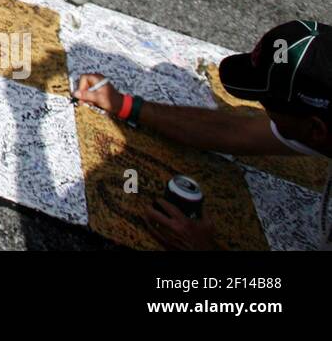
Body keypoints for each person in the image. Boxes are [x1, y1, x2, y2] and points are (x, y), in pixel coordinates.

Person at [74, 21, 331, 251]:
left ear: (315, 130)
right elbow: (236, 132)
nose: (263, 111)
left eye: (267, 105)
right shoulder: (317, 125)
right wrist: (126, 105)